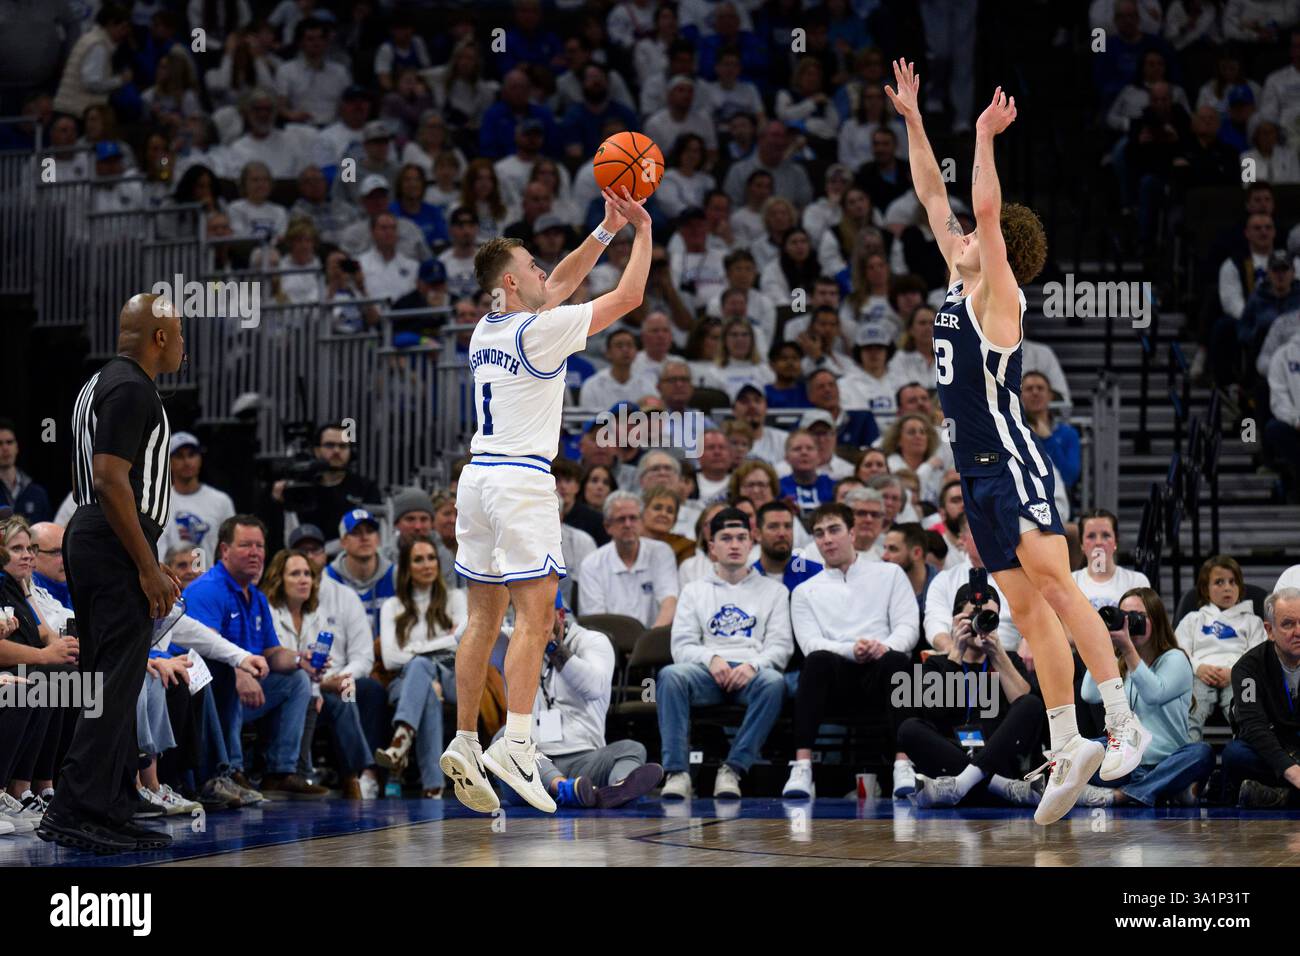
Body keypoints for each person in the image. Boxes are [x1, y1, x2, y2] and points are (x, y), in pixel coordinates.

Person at [886, 60, 1149, 824]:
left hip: (1011, 460)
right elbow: (932, 194)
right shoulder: (956, 278)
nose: (960, 232)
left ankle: (1122, 721)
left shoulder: (1003, 293)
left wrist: (981, 138)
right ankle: (1067, 740)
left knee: (1061, 591)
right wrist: (913, 120)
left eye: (972, 234)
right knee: (1030, 613)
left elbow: (984, 209)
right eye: (961, 234)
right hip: (974, 473)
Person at [437, 184, 653, 815]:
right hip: (521, 482)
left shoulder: (486, 329)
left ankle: (465, 737)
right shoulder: (539, 332)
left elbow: (557, 283)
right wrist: (642, 229)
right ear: (509, 282)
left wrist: (604, 231)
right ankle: (520, 743)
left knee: (482, 618)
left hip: (475, 480)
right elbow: (630, 296)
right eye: (530, 264)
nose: (542, 271)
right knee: (535, 617)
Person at [36, 293, 184, 854]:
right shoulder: (132, 388)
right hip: (110, 536)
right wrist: (144, 564)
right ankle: (76, 810)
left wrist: (148, 550)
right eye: (181, 335)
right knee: (114, 682)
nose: (185, 348)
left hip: (102, 536)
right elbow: (110, 479)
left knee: (108, 682)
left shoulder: (98, 384)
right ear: (160, 338)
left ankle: (111, 803)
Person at [182, 515, 327, 799]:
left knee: (297, 679)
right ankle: (231, 770)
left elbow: (272, 654)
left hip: (246, 690)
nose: (255, 553)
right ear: (224, 550)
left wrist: (301, 659)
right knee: (226, 673)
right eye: (246, 545)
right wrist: (239, 672)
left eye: (260, 546)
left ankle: (281, 772)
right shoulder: (208, 589)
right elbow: (201, 649)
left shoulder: (257, 597)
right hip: (204, 694)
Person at [783, 503, 920, 800]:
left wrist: (883, 646)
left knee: (897, 660)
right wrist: (850, 649)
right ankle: (802, 767)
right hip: (836, 677)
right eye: (819, 534)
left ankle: (903, 764)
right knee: (816, 661)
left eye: (834, 530)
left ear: (852, 533)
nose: (827, 539)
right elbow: (809, 643)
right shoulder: (805, 591)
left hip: (882, 670)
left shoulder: (890, 574)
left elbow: (908, 627)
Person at [659, 508, 793, 799]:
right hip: (705, 673)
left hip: (752, 674)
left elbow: (781, 646)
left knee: (774, 683)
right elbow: (681, 645)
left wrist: (753, 665)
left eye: (741, 537)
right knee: (670, 676)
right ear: (712, 547)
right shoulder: (694, 590)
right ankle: (677, 773)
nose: (734, 544)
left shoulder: (775, 591)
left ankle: (732, 769)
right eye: (726, 538)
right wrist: (711, 659)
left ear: (751, 543)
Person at [497, 591, 663, 808]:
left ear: (561, 616)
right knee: (503, 739)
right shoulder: (514, 640)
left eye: (541, 616)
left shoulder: (593, 641)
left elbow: (594, 687)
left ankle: (614, 790)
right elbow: (464, 634)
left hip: (585, 761)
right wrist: (498, 601)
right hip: (532, 765)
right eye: (527, 616)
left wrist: (553, 647)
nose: (534, 623)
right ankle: (562, 788)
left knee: (632, 749)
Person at [901, 585, 1043, 808]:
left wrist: (998, 656)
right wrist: (956, 653)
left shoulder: (1009, 660)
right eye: (973, 617)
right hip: (952, 764)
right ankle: (998, 786)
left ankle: (964, 784)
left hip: (997, 759)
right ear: (956, 621)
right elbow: (937, 714)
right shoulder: (936, 663)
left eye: (989, 617)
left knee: (1033, 704)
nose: (981, 624)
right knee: (909, 728)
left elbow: (1025, 711)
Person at [1076, 588, 1215, 808]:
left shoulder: (1175, 659)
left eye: (1137, 616)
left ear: (1156, 620)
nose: (1130, 623)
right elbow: (1089, 694)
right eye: (1125, 617)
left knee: (1202, 753)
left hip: (1166, 763)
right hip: (1124, 763)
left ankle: (1119, 796)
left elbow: (1153, 694)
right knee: (1083, 749)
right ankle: (1162, 790)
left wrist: (1128, 649)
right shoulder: (1120, 662)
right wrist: (1104, 647)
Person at [262, 548, 377, 798]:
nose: (304, 579)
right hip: (274, 686)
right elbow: (272, 660)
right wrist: (317, 686)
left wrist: (321, 683)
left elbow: (316, 665)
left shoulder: (314, 615)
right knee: (310, 694)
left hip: (311, 686)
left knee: (343, 700)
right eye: (295, 574)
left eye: (307, 573)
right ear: (279, 579)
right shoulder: (268, 610)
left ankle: (352, 778)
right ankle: (294, 773)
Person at [376, 535, 468, 798]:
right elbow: (391, 659)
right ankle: (433, 786)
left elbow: (461, 642)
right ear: (406, 568)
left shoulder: (456, 598)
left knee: (420, 666)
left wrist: (415, 650)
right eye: (418, 560)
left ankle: (401, 743)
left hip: (451, 677)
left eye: (431, 558)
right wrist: (442, 642)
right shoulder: (392, 607)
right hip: (403, 682)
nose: (427, 564)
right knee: (425, 685)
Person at [1175, 555, 1267, 742]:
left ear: (1240, 588)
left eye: (1232, 582)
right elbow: (1178, 650)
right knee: (1191, 710)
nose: (1227, 587)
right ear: (1205, 590)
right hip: (1198, 675)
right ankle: (1187, 757)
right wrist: (1198, 667)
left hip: (1237, 675)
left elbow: (1259, 654)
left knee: (1243, 713)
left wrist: (1235, 672)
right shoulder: (1194, 619)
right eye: (1219, 582)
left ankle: (1245, 755)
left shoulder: (1252, 621)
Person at [1226, 587, 1300, 808]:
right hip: (1270, 748)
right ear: (1269, 630)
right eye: (1288, 624)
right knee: (1235, 754)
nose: (1298, 631)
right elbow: (1253, 727)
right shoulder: (1247, 669)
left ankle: (1280, 797)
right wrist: (1292, 771)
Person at [578, 491, 680, 627]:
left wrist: (649, 640)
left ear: (642, 522)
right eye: (621, 519)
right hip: (608, 642)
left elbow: (669, 600)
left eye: (633, 518)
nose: (628, 524)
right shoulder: (591, 564)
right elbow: (595, 619)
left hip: (652, 638)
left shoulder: (662, 552)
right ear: (607, 526)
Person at [156, 432, 236, 566]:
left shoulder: (221, 501)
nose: (187, 461)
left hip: (210, 582)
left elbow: (231, 548)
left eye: (191, 455)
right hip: (170, 583)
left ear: (200, 459)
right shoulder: (158, 502)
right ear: (168, 461)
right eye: (179, 456)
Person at [325, 509, 396, 633]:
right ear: (343, 542)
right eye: (356, 532)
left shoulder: (395, 575)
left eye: (370, 531)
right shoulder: (328, 579)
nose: (364, 538)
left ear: (378, 539)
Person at [1071, 508, 1151, 608]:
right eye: (1091, 536)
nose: (1098, 542)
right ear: (1081, 543)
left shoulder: (1136, 582)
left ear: (1116, 541)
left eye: (1105, 535)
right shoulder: (1071, 582)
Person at [0, 420, 52, 524]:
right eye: (0, 443)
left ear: (17, 447)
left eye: (9, 442)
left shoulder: (37, 494)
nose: (5, 448)